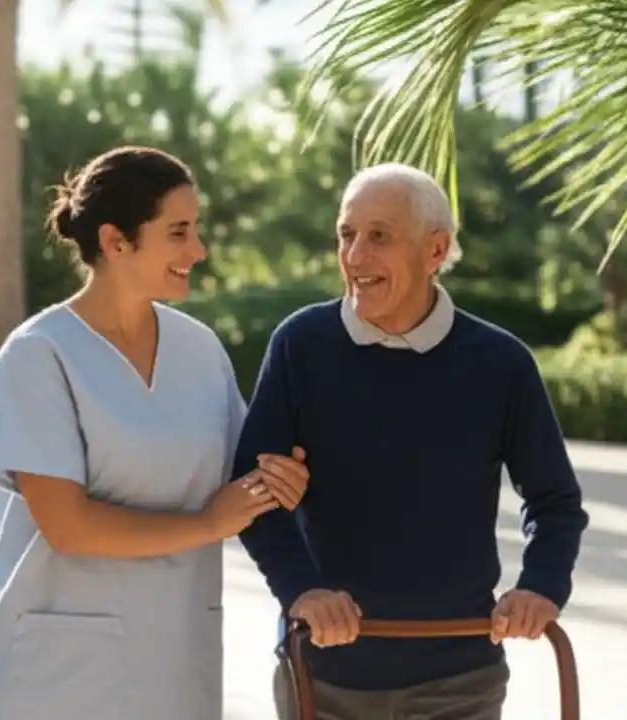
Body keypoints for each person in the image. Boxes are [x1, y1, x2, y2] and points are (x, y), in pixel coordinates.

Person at [0, 145, 311, 720]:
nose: (198, 250)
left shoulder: (199, 351)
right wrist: (206, 524)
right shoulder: (38, 356)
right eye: (178, 232)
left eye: (195, 230)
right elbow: (67, 526)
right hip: (53, 677)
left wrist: (281, 479)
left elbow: (248, 477)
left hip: (172, 661)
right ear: (116, 241)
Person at [232, 162, 589, 719]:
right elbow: (252, 494)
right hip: (323, 677)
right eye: (347, 235)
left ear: (436, 249)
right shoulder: (300, 346)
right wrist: (301, 591)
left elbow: (556, 502)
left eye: (379, 236)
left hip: (460, 679)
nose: (354, 257)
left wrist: (541, 586)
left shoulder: (500, 364)